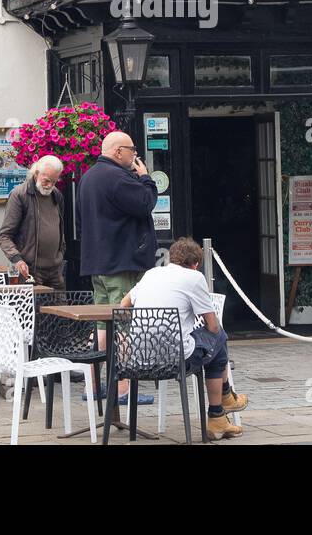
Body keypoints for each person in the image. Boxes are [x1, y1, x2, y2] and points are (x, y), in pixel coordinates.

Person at [123, 238, 249, 441]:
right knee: (219, 337)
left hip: (139, 358)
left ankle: (223, 406)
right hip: (176, 359)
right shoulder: (194, 278)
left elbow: (124, 303)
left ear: (170, 258)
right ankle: (220, 408)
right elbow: (213, 326)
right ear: (196, 264)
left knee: (213, 343)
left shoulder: (151, 274)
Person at [78, 131, 159, 403]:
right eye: (132, 150)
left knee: (102, 322)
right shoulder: (117, 178)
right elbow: (145, 203)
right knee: (123, 325)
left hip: (98, 263)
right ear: (117, 151)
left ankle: (93, 386)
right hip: (120, 262)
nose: (135, 155)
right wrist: (146, 178)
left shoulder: (89, 177)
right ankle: (123, 389)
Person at [0, 154, 67, 290]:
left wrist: (61, 251)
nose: (50, 186)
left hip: (55, 269)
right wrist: (17, 260)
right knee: (34, 311)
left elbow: (60, 226)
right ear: (36, 173)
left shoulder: (56, 195)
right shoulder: (20, 195)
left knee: (59, 308)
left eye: (54, 182)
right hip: (30, 270)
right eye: (47, 180)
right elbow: (4, 236)